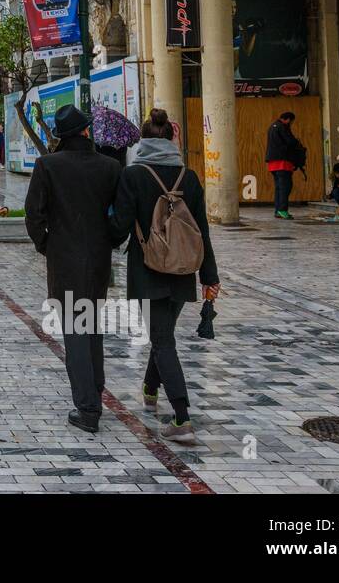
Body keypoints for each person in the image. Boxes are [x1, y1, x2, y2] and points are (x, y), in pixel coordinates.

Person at [109, 108, 220, 444]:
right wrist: (209, 277)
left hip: (148, 271)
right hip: (184, 269)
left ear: (142, 141)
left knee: (162, 340)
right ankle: (150, 388)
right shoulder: (190, 176)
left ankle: (182, 418)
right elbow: (202, 230)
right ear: (172, 140)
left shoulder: (133, 175)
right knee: (164, 334)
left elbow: (119, 230)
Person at [23, 104, 123, 435]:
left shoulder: (47, 165)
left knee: (77, 330)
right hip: (97, 259)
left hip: (64, 258)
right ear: (85, 131)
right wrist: (109, 238)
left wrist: (47, 244)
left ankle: (88, 407)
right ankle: (94, 392)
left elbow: (33, 214)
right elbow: (120, 216)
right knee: (90, 326)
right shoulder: (109, 167)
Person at [265, 111, 306, 219]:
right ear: (288, 120)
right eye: (291, 122)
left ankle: (278, 211)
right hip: (282, 162)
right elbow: (290, 142)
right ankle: (282, 210)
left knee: (279, 188)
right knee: (285, 187)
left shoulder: (272, 127)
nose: (291, 124)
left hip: (272, 163)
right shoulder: (282, 127)